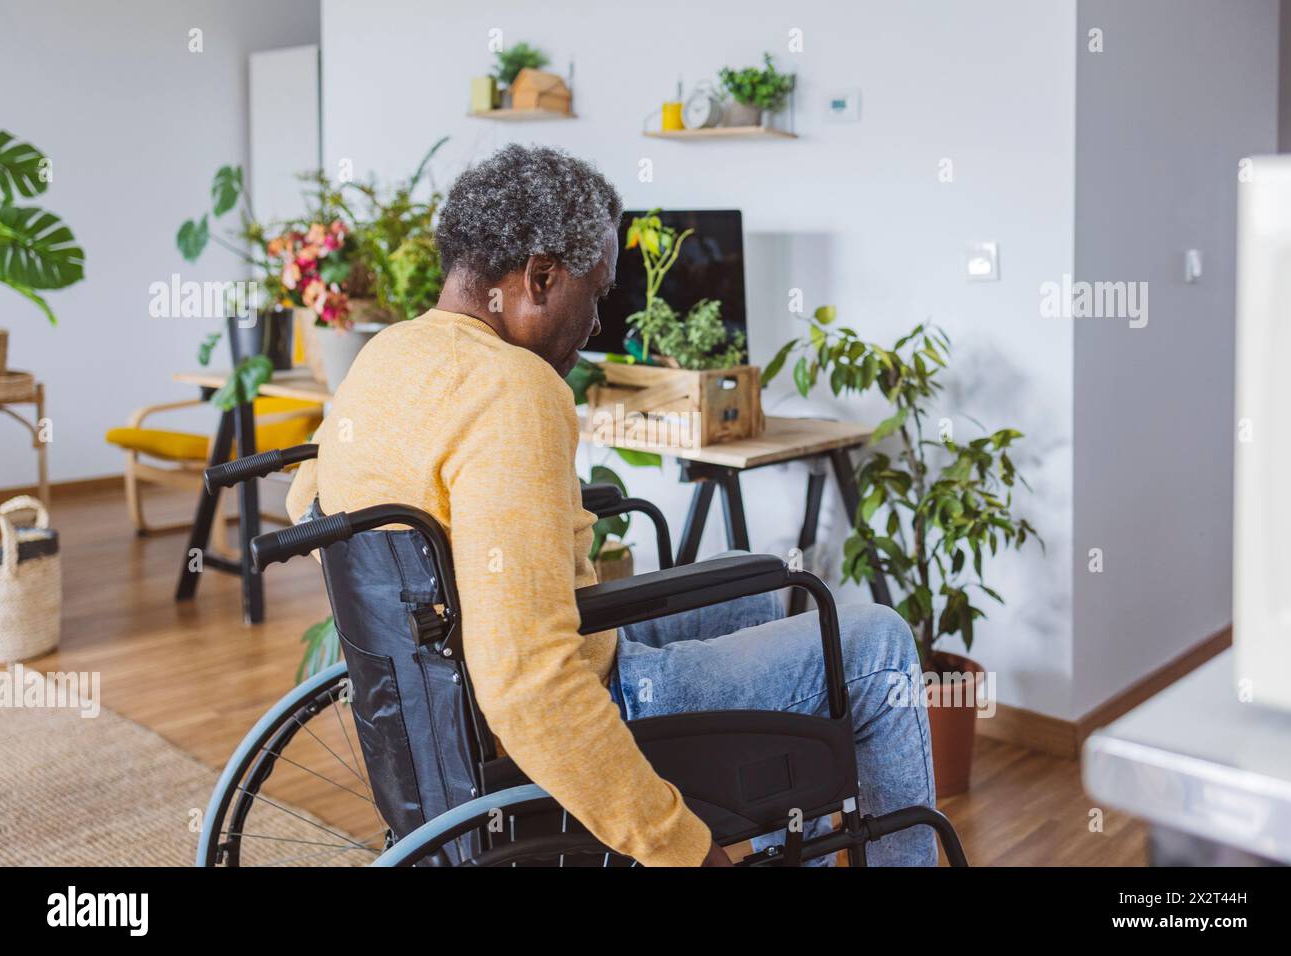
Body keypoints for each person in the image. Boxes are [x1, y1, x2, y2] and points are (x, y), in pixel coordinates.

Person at [287, 143, 935, 867]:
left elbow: (308, 499)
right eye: (594, 293)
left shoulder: (388, 355)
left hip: (442, 701)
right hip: (596, 701)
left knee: (756, 583)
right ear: (538, 276)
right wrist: (678, 846)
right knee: (874, 641)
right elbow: (527, 681)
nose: (596, 323)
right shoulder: (512, 390)